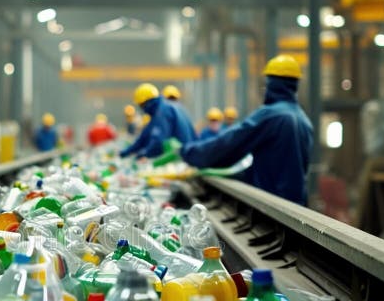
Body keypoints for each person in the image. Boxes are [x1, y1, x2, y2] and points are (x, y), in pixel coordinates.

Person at [180, 55, 313, 205]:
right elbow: (280, 168)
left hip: (272, 207)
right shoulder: (304, 120)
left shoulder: (271, 115)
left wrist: (188, 152)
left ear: (270, 83)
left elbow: (229, 145)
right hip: (298, 207)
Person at [120, 83, 196, 158]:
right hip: (190, 153)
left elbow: (158, 141)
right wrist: (127, 151)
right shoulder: (173, 107)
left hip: (181, 157)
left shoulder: (163, 111)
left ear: (146, 102)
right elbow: (144, 136)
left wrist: (144, 153)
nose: (143, 110)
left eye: (141, 105)